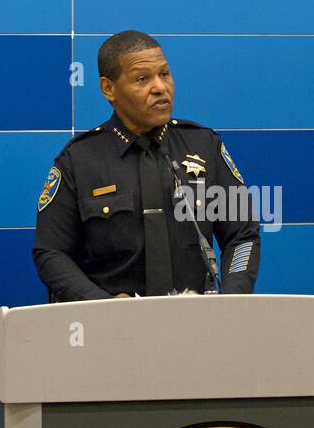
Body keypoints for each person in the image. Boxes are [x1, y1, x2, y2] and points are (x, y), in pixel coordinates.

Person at [33, 30, 260, 299]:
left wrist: (232, 298)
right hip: (112, 328)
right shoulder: (78, 160)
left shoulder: (204, 147)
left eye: (164, 74)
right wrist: (99, 305)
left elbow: (242, 235)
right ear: (109, 89)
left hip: (197, 323)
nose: (160, 87)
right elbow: (51, 253)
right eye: (143, 79)